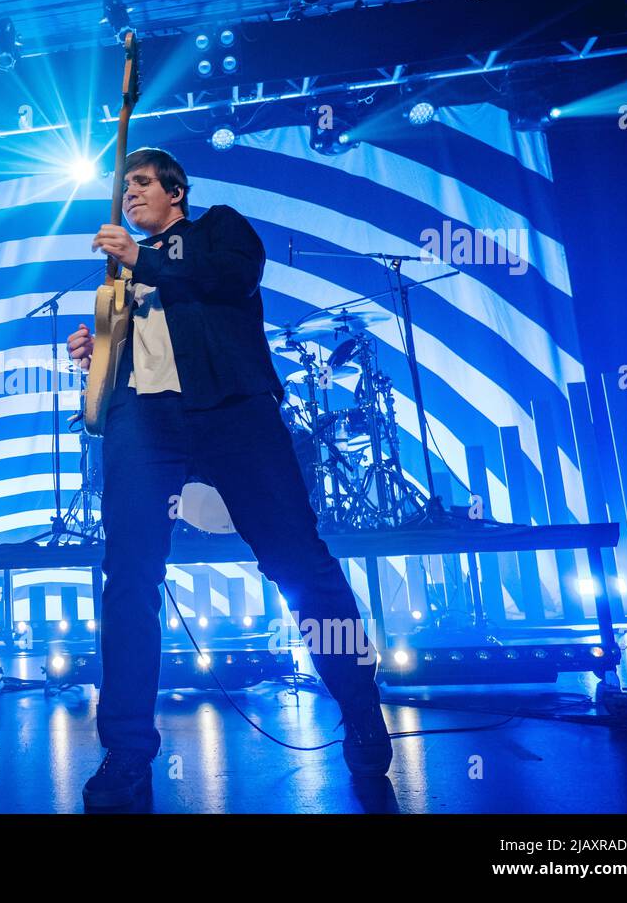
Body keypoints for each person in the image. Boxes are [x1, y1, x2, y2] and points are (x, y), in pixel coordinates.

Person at [68, 147, 393, 811]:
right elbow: (110, 363)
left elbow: (226, 280)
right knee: (129, 575)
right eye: (123, 188)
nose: (129, 196)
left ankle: (360, 705)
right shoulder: (119, 281)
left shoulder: (219, 229)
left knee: (298, 558)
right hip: (145, 421)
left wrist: (142, 259)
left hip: (232, 410)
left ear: (175, 192)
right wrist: (95, 348)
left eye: (141, 184)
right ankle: (127, 750)